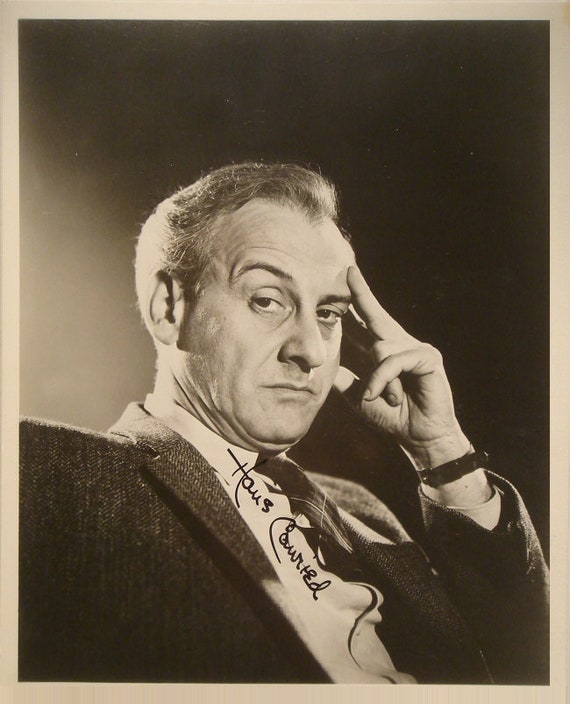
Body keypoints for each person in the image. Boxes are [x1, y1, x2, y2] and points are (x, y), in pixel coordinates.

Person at [19, 162, 549, 684]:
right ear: (169, 307)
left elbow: (531, 666)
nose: (311, 352)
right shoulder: (40, 471)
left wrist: (441, 450)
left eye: (329, 313)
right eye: (268, 300)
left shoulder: (365, 511)